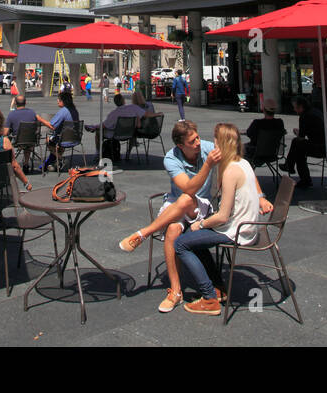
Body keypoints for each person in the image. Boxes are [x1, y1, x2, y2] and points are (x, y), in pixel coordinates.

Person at [118, 119, 221, 313]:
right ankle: (176, 291)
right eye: (192, 141)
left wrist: (259, 195)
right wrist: (208, 165)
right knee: (173, 228)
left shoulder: (207, 148)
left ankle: (144, 233)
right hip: (177, 204)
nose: (198, 143)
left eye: (198, 137)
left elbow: (236, 161)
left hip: (202, 206)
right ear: (181, 146)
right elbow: (188, 188)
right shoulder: (171, 158)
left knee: (185, 200)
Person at [171, 123, 274, 315]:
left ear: (222, 143)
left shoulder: (230, 171)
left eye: (216, 140)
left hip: (237, 230)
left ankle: (209, 298)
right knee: (194, 238)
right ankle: (217, 287)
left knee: (181, 244)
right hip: (247, 225)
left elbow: (222, 216)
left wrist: (200, 224)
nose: (213, 144)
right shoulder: (243, 163)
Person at [281, 95, 327, 189]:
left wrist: (298, 132)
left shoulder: (305, 116)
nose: (294, 110)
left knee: (297, 143)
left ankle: (292, 168)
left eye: (295, 108)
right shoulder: (315, 111)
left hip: (322, 147)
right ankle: (292, 167)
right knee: (299, 149)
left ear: (300, 107)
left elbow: (301, 137)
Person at [87, 92, 146, 162]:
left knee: (98, 132)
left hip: (117, 134)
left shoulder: (113, 113)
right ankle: (128, 153)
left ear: (115, 103)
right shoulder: (132, 109)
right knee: (133, 131)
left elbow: (105, 125)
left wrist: (94, 127)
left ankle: (98, 152)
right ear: (124, 101)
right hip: (130, 134)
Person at [38, 90, 80, 170]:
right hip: (74, 138)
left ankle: (61, 158)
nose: (57, 101)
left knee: (48, 140)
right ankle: (53, 163)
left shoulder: (63, 111)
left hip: (63, 139)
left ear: (63, 101)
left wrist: (40, 119)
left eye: (59, 99)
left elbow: (52, 126)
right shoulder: (74, 110)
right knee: (57, 144)